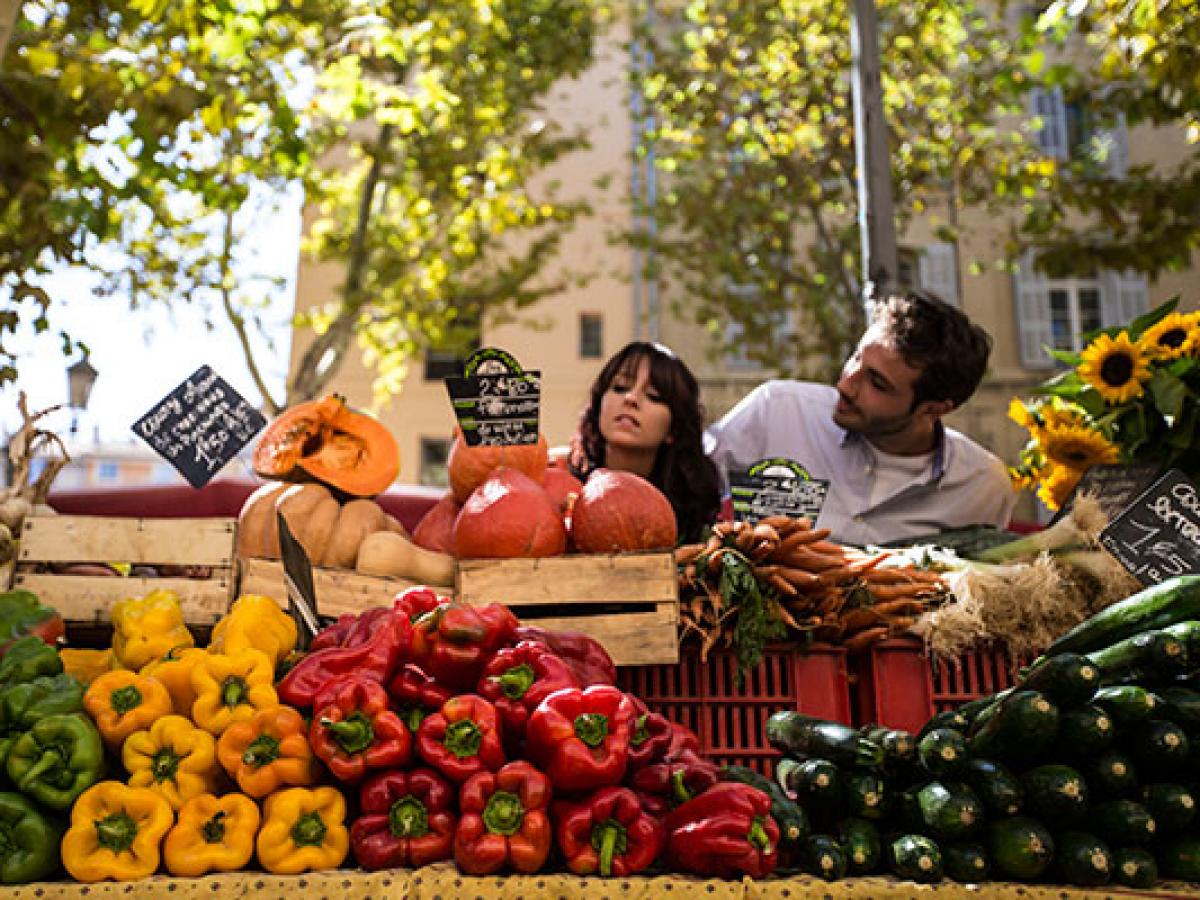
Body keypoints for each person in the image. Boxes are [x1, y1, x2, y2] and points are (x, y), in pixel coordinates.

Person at [706, 290, 1016, 546]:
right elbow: (682, 484)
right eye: (856, 357)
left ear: (933, 409)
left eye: (877, 383)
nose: (845, 385)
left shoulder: (982, 487)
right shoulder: (778, 411)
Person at [569, 341, 721, 543]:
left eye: (654, 396)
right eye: (620, 387)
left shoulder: (694, 514)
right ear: (598, 406)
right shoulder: (563, 482)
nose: (631, 398)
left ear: (674, 429)